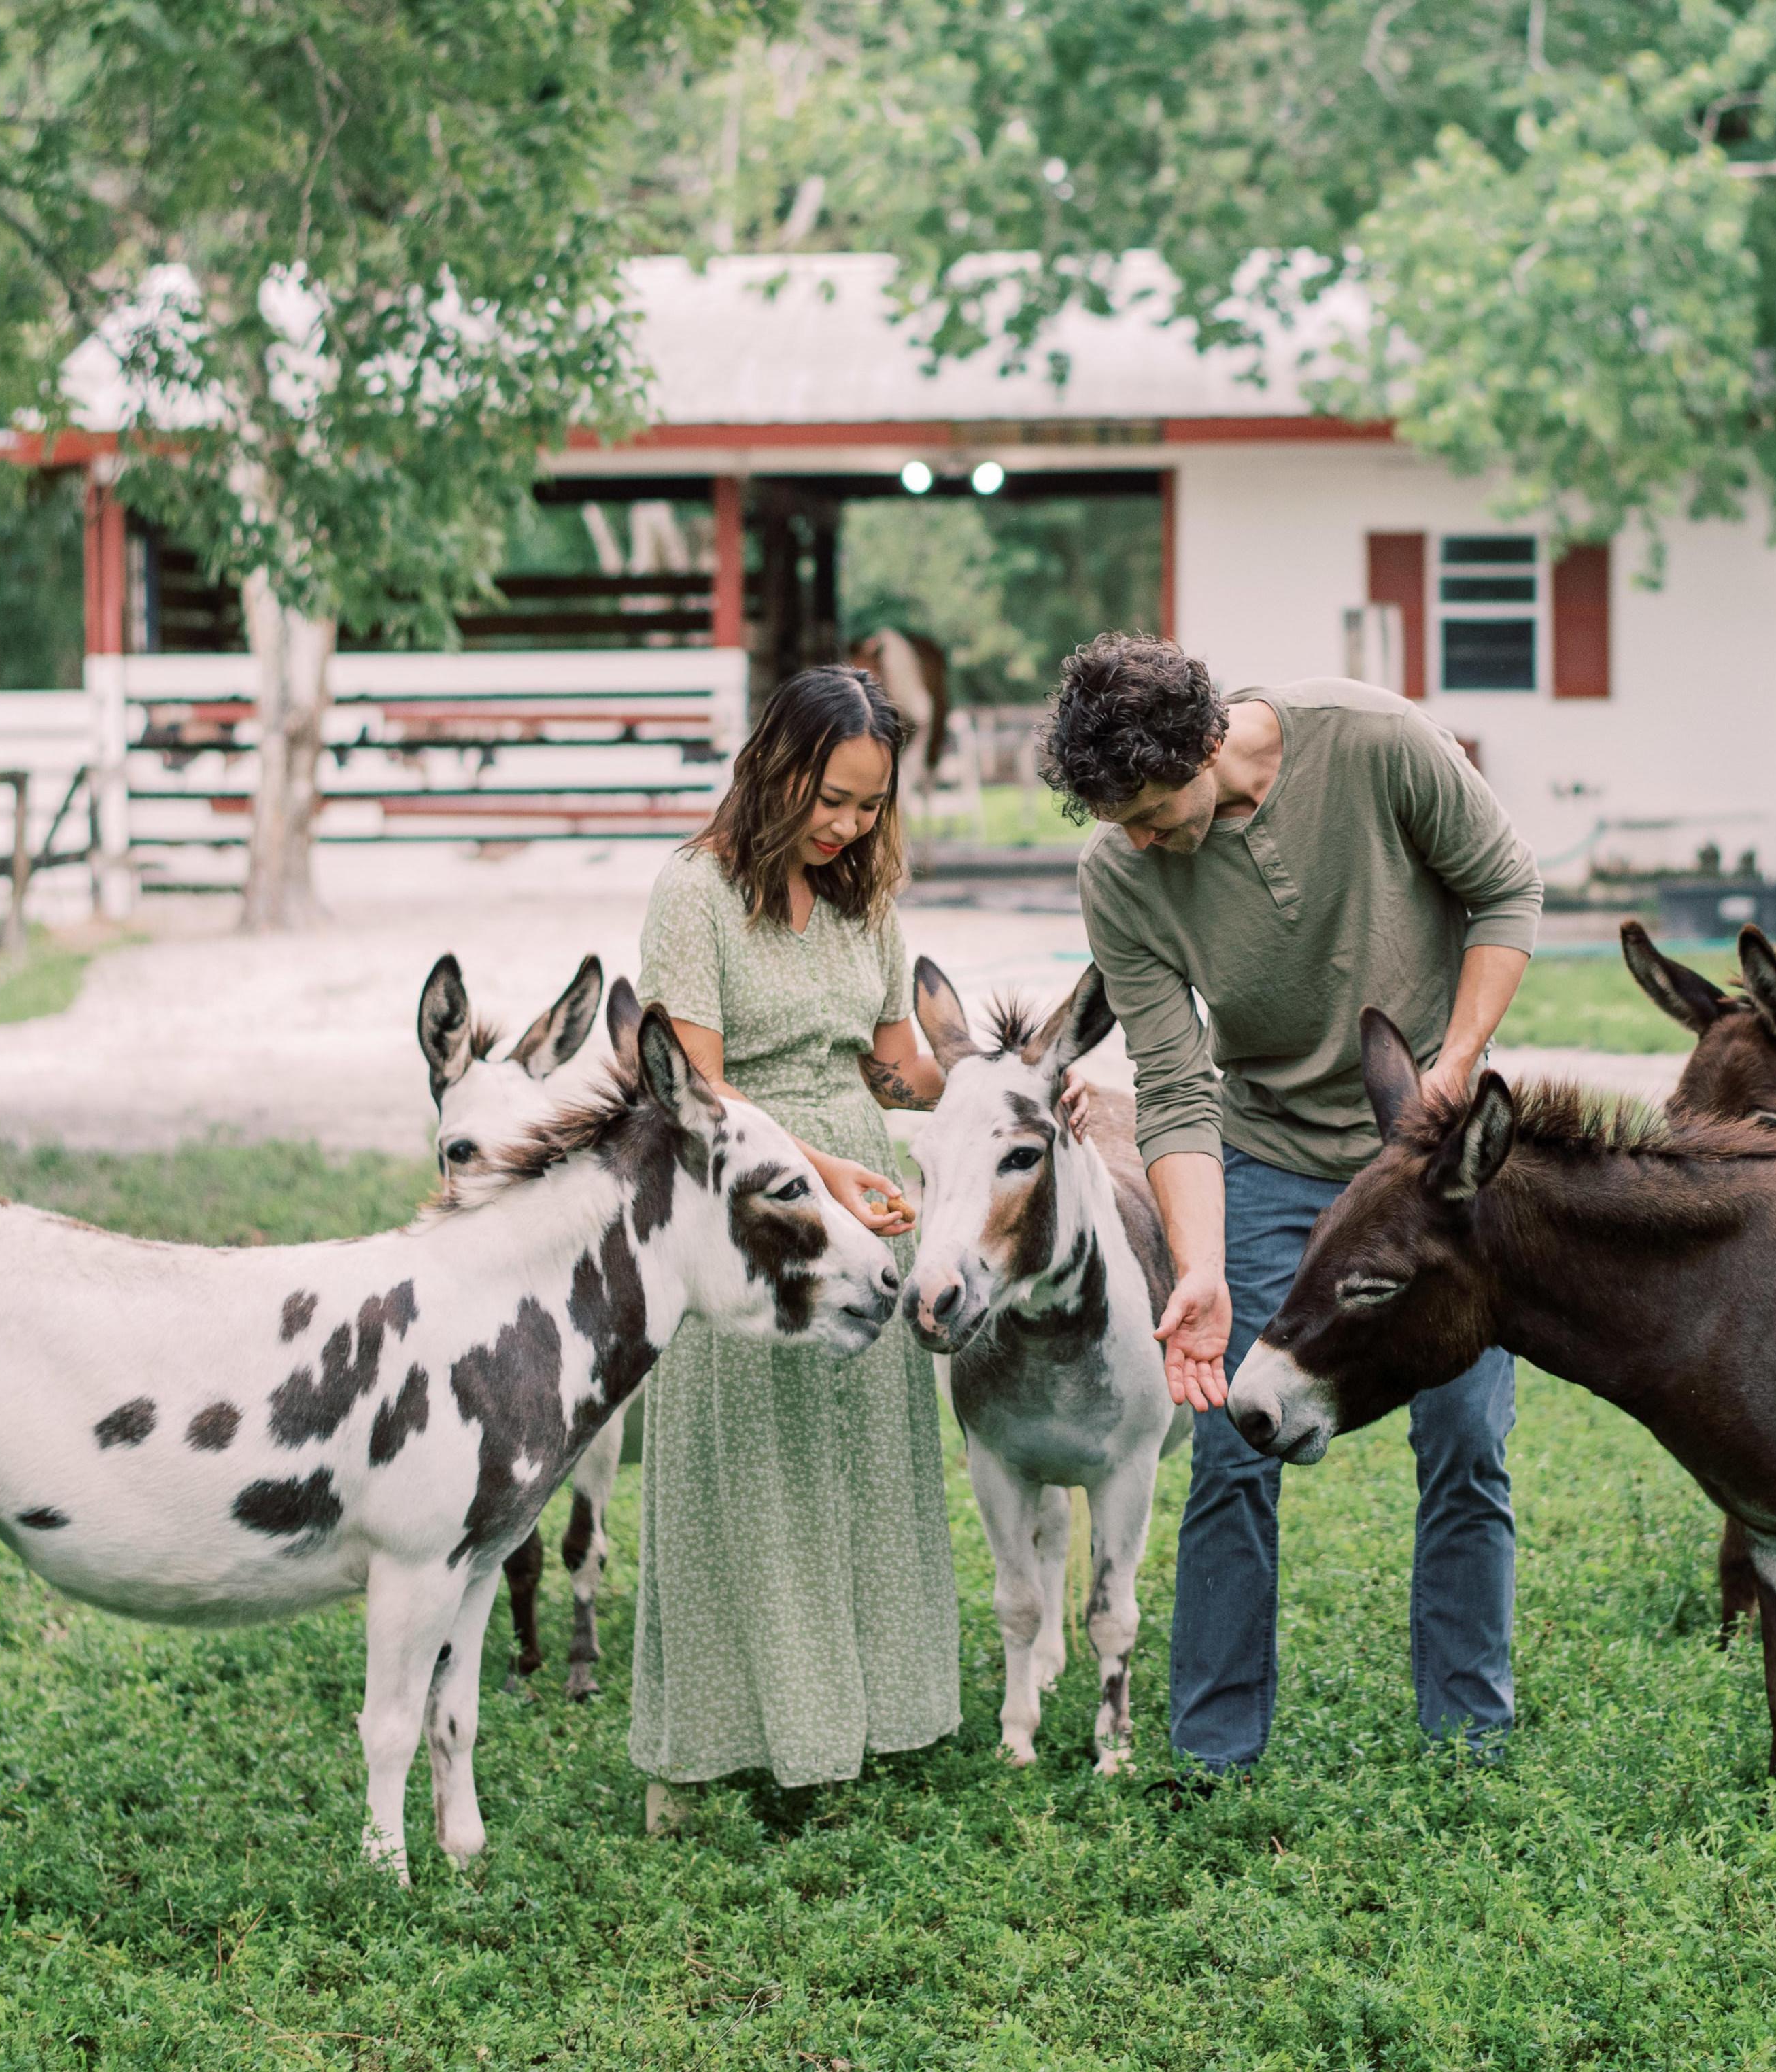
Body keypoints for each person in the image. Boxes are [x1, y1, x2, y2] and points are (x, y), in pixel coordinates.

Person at [1040, 632, 1541, 1774]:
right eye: (1118, 821)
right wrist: (1202, 1266)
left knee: (1464, 1438)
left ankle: (1469, 1741)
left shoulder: (1373, 741)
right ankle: (1215, 1753)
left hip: (1420, 1152)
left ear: (1208, 742)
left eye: (1159, 810)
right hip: (1265, 1151)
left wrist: (1457, 1062)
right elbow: (1171, 1085)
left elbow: (1505, 888)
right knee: (1232, 1439)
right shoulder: (1119, 875)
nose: (1145, 841)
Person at [628, 664, 960, 1833]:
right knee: (746, 1472)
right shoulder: (696, 894)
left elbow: (885, 1064)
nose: (847, 826)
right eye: (831, 798)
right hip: (751, 1202)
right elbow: (698, 1092)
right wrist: (816, 1172)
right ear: (774, 765)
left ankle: (850, 1727)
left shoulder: (865, 898)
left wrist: (976, 1090)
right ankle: (713, 1747)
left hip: (861, 1192)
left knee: (857, 1469)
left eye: (869, 806)